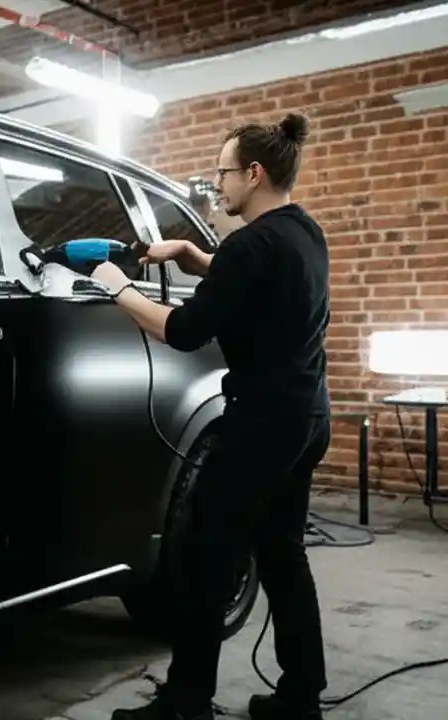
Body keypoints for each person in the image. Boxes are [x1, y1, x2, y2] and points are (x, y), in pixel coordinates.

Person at [91, 113, 332, 720]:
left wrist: (117, 287)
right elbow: (255, 282)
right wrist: (198, 257)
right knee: (282, 552)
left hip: (259, 426)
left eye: (223, 172)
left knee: (204, 555)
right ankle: (302, 695)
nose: (216, 185)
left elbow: (185, 330)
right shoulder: (303, 233)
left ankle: (185, 701)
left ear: (253, 173)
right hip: (306, 418)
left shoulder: (251, 244)